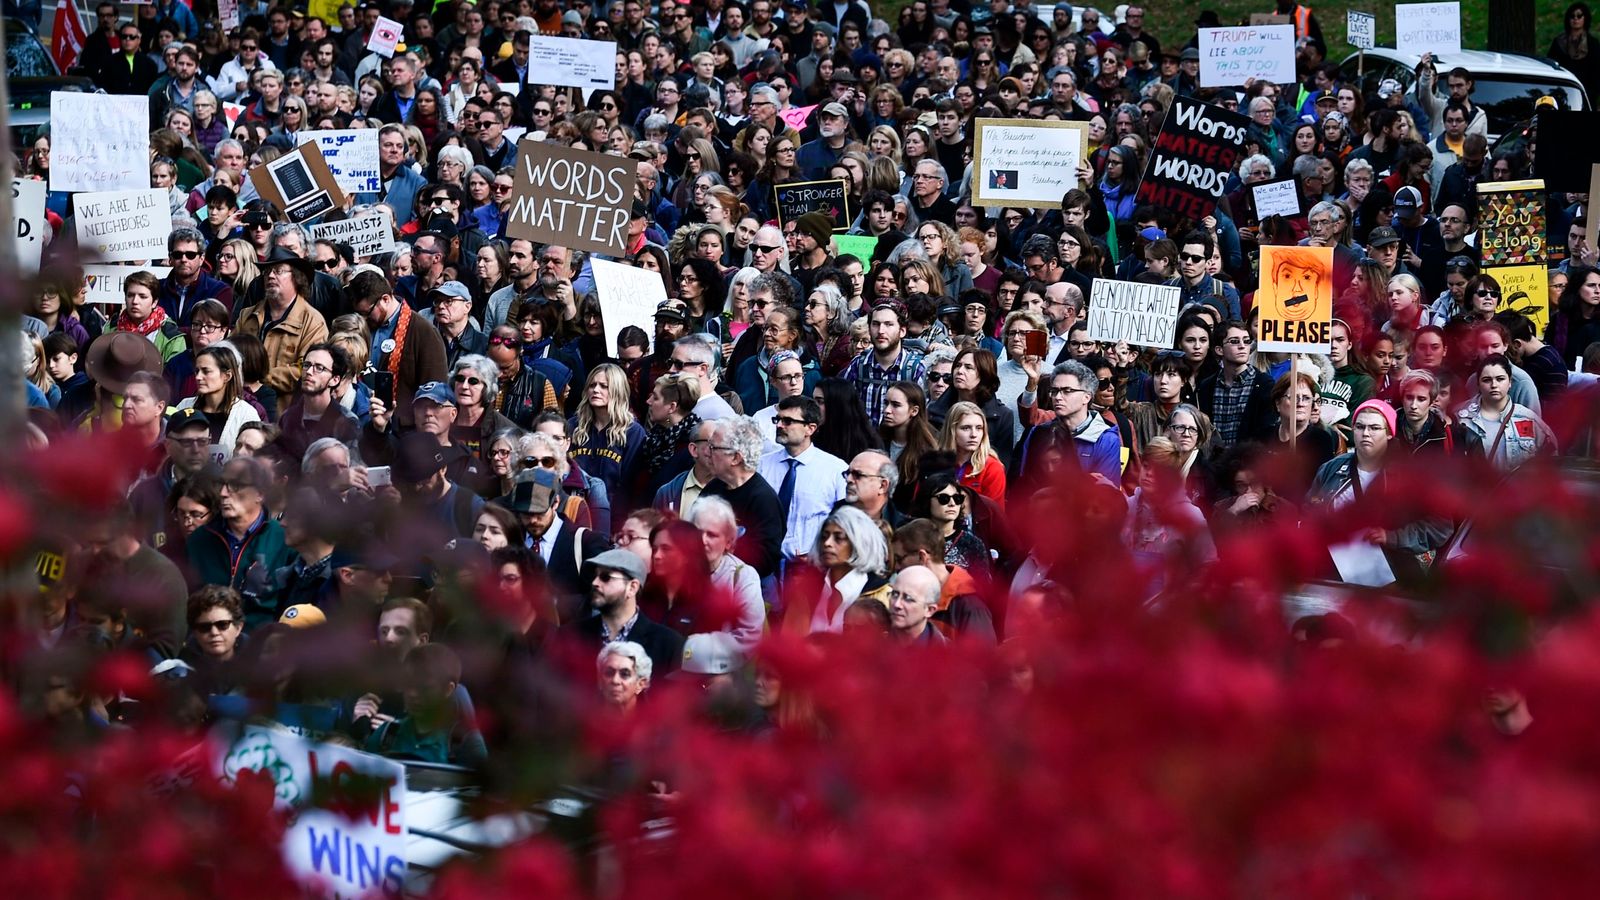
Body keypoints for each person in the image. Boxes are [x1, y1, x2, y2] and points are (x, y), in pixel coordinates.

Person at [1307, 400, 1454, 582]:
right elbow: (1308, 511)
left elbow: (1441, 527)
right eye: (1360, 427)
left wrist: (1392, 537)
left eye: (1374, 428)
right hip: (1334, 574)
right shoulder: (1331, 469)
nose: (1365, 433)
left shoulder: (1411, 475)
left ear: (1389, 433)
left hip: (1392, 576)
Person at [185, 457, 296, 629]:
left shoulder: (283, 540)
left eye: (235, 485)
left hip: (262, 639)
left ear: (260, 493)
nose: (223, 493)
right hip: (210, 636)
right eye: (221, 484)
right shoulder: (199, 540)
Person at [348, 269, 449, 428]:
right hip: (357, 422)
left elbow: (435, 392)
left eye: (367, 313)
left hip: (402, 429)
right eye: (359, 313)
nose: (363, 318)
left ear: (385, 299)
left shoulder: (424, 332)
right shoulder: (358, 326)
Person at [235, 249, 330, 413]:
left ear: (297, 278)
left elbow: (307, 370)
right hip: (241, 411)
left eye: (278, 271)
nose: (270, 276)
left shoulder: (313, 322)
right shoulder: (247, 315)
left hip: (286, 415)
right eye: (267, 272)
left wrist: (259, 379)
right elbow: (229, 355)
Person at [759, 396, 847, 562]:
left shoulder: (835, 470)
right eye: (778, 419)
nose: (779, 425)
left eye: (788, 421)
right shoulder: (762, 465)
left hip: (811, 564)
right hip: (764, 561)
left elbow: (845, 521)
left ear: (810, 429)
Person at [576, 549, 684, 679]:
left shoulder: (668, 645)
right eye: (594, 577)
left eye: (605, 577)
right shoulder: (571, 636)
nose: (595, 583)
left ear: (632, 587)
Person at [784, 505, 892, 633]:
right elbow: (788, 639)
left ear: (859, 544)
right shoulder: (807, 590)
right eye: (824, 537)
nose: (827, 543)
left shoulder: (882, 595)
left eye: (839, 538)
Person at [702, 415, 785, 578]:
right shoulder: (713, 488)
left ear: (735, 458)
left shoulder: (763, 500)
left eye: (713, 447)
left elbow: (765, 559)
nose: (706, 452)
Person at [1459, 354, 1557, 471]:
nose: (1494, 385)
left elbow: (1552, 458)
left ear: (1510, 382)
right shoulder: (1460, 417)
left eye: (1500, 379)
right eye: (1487, 380)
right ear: (1478, 384)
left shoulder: (1528, 419)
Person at [842, 300, 928, 421]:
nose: (881, 331)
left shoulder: (916, 369)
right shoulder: (858, 365)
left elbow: (922, 418)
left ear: (902, 331)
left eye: (889, 324)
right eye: (876, 324)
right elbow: (843, 409)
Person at [172, 346, 261, 457]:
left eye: (206, 371)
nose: (198, 377)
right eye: (197, 371)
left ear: (227, 376)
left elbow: (254, 457)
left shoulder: (246, 414)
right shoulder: (185, 406)